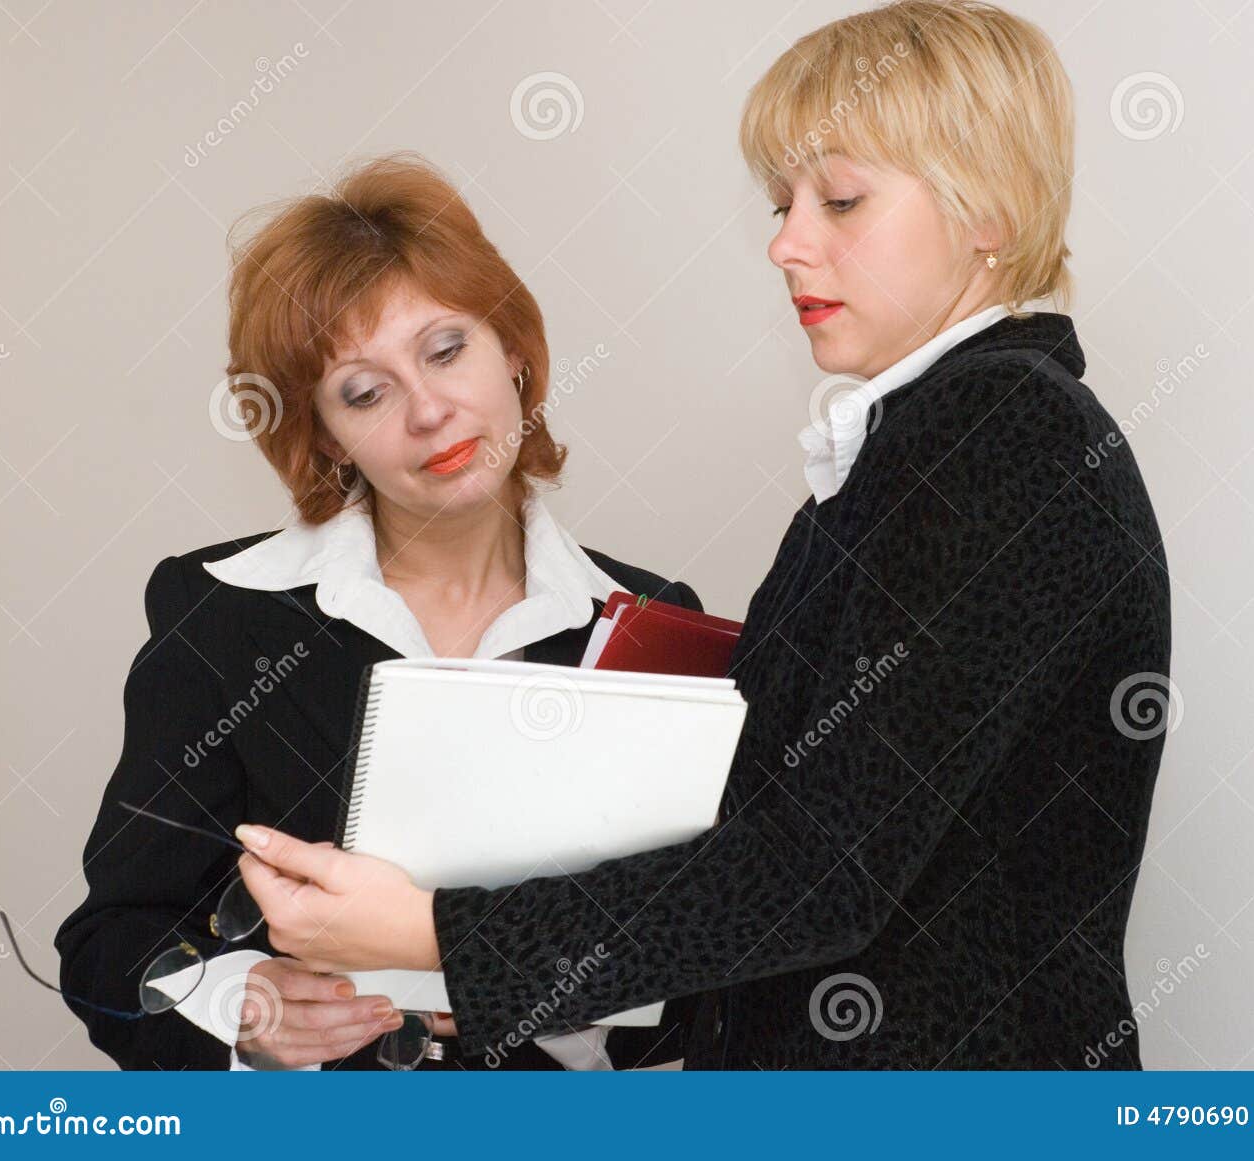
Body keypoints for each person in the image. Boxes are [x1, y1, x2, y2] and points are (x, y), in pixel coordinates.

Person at [238, 0, 1173, 1068]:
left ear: (990, 214)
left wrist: (436, 934)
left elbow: (825, 871)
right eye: (783, 202)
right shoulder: (934, 436)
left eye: (842, 199)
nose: (784, 243)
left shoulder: (999, 431)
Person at [54, 156, 697, 1071]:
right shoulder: (223, 617)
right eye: (366, 391)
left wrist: (527, 990)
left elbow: (705, 943)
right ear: (322, 433)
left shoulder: (650, 621)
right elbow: (108, 948)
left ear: (514, 350)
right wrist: (242, 1005)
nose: (430, 410)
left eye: (446, 349)